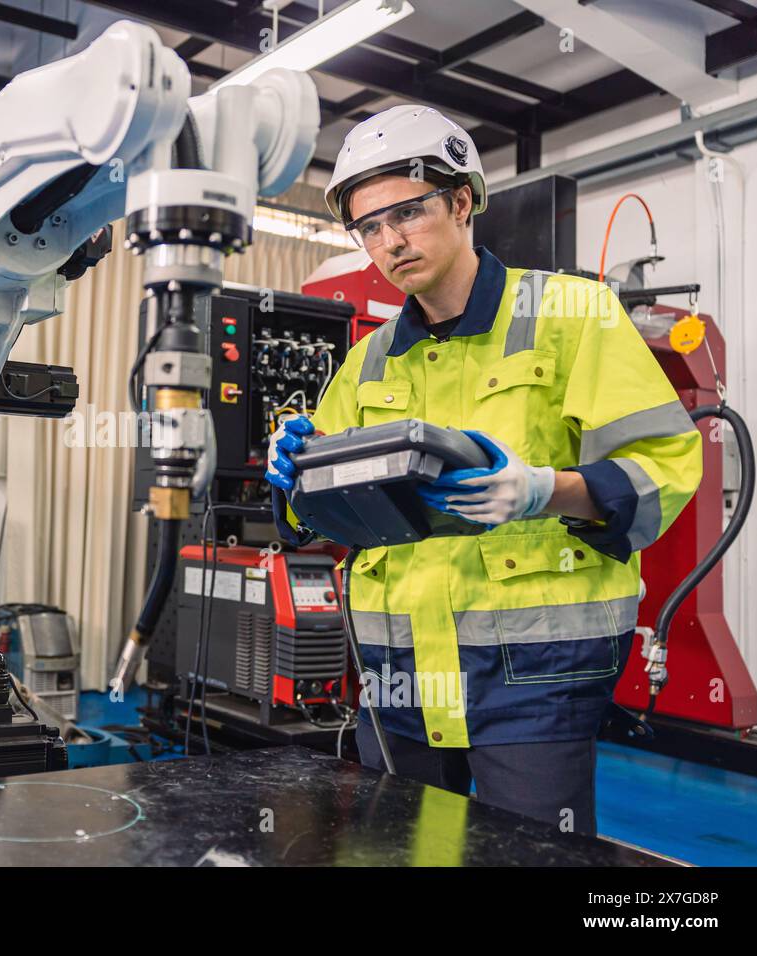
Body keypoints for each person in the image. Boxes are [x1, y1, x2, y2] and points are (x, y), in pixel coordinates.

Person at [265, 104, 703, 837]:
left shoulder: (573, 315)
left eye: (407, 212)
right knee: (403, 856)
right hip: (398, 679)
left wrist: (545, 490)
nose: (388, 241)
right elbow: (317, 517)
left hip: (532, 679)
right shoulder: (366, 362)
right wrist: (294, 479)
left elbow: (666, 463)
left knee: (531, 858)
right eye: (369, 226)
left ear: (462, 200)